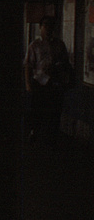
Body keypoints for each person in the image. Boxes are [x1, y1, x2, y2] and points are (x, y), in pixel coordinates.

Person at [24, 15, 72, 144]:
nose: (48, 28)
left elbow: (65, 62)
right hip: (39, 82)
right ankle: (34, 133)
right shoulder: (34, 45)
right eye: (45, 25)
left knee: (54, 111)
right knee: (37, 110)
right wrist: (28, 84)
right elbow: (28, 65)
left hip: (55, 82)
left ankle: (52, 137)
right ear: (40, 27)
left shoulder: (59, 44)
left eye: (50, 26)